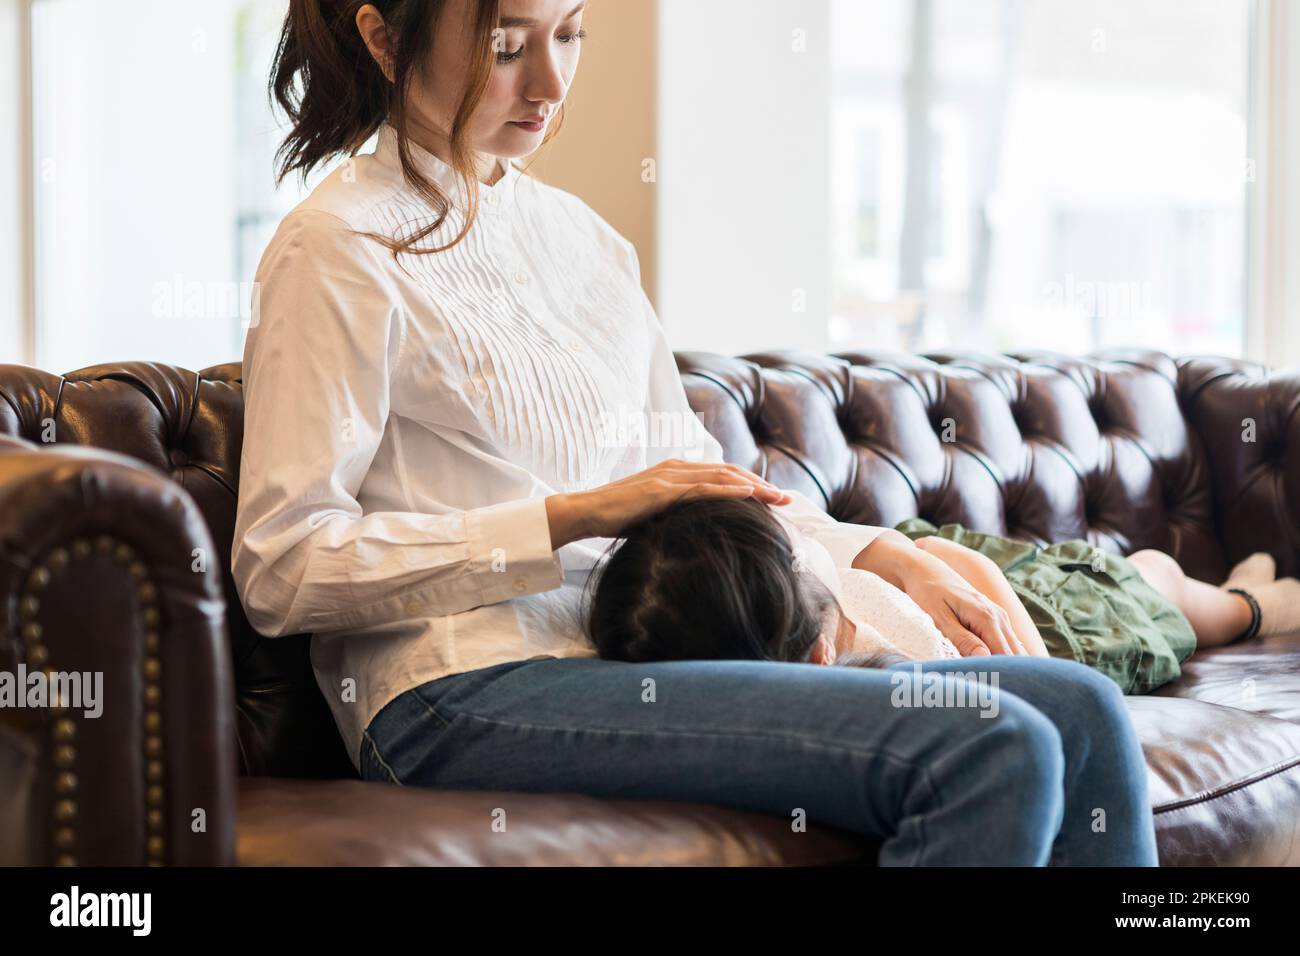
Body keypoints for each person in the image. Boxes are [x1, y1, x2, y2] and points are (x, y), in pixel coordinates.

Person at [233, 0, 1160, 865]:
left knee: (1082, 708)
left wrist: (885, 554)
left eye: (571, 33)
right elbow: (284, 567)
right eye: (508, 45)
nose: (550, 84)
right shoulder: (337, 249)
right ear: (385, 40)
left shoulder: (586, 245)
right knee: (989, 745)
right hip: (455, 686)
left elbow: (695, 481)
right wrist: (569, 517)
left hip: (623, 658)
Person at [586, 497, 1296, 696]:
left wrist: (1027, 660)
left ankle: (1256, 601)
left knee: (1158, 589)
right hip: (970, 595)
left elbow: (949, 562)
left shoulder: (859, 621)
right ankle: (1241, 587)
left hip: (1004, 606)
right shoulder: (867, 667)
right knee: (1138, 572)